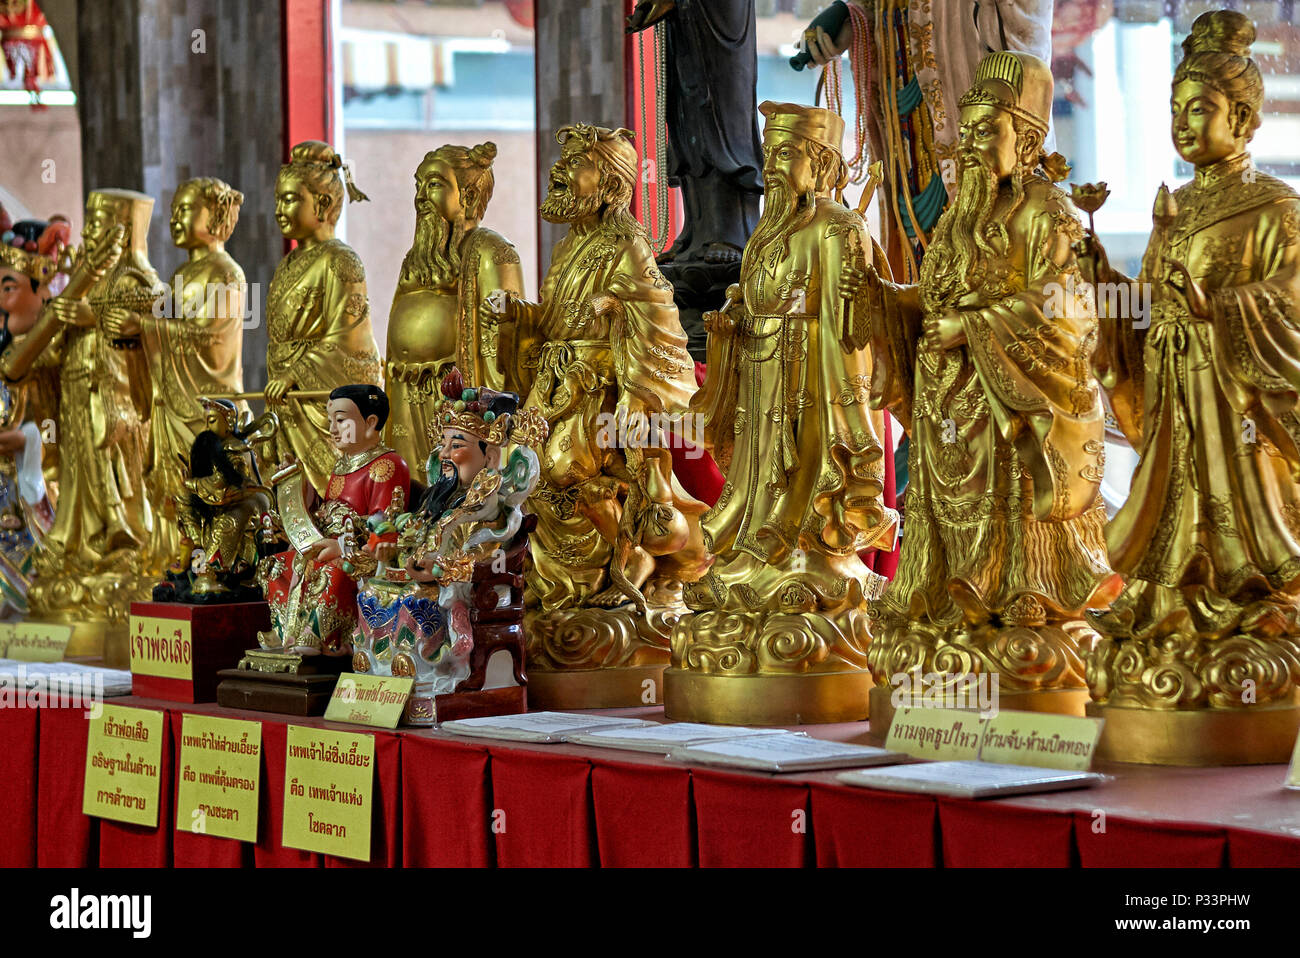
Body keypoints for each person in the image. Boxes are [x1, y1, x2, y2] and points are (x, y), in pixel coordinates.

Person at [384, 143, 524, 484]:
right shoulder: (414, 260)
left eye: (432, 184)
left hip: (458, 396)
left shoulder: (491, 250)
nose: (419, 197)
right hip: (405, 388)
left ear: (469, 195)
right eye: (418, 185)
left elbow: (506, 329)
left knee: (454, 482)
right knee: (410, 487)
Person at [265, 141, 383, 495]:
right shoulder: (287, 265)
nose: (279, 209)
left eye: (289, 199)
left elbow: (348, 339)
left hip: (315, 399)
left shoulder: (341, 261)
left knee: (332, 496)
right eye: (278, 199)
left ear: (323, 203)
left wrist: (295, 374)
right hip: (287, 399)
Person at [257, 385, 408, 656]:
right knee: (277, 565)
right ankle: (286, 630)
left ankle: (322, 635)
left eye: (341, 420)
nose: (333, 429)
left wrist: (341, 546)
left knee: (333, 571)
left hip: (360, 553)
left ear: (370, 422)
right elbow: (327, 510)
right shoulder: (342, 466)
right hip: (327, 543)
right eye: (331, 421)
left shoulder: (387, 465)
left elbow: (384, 524)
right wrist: (298, 486)